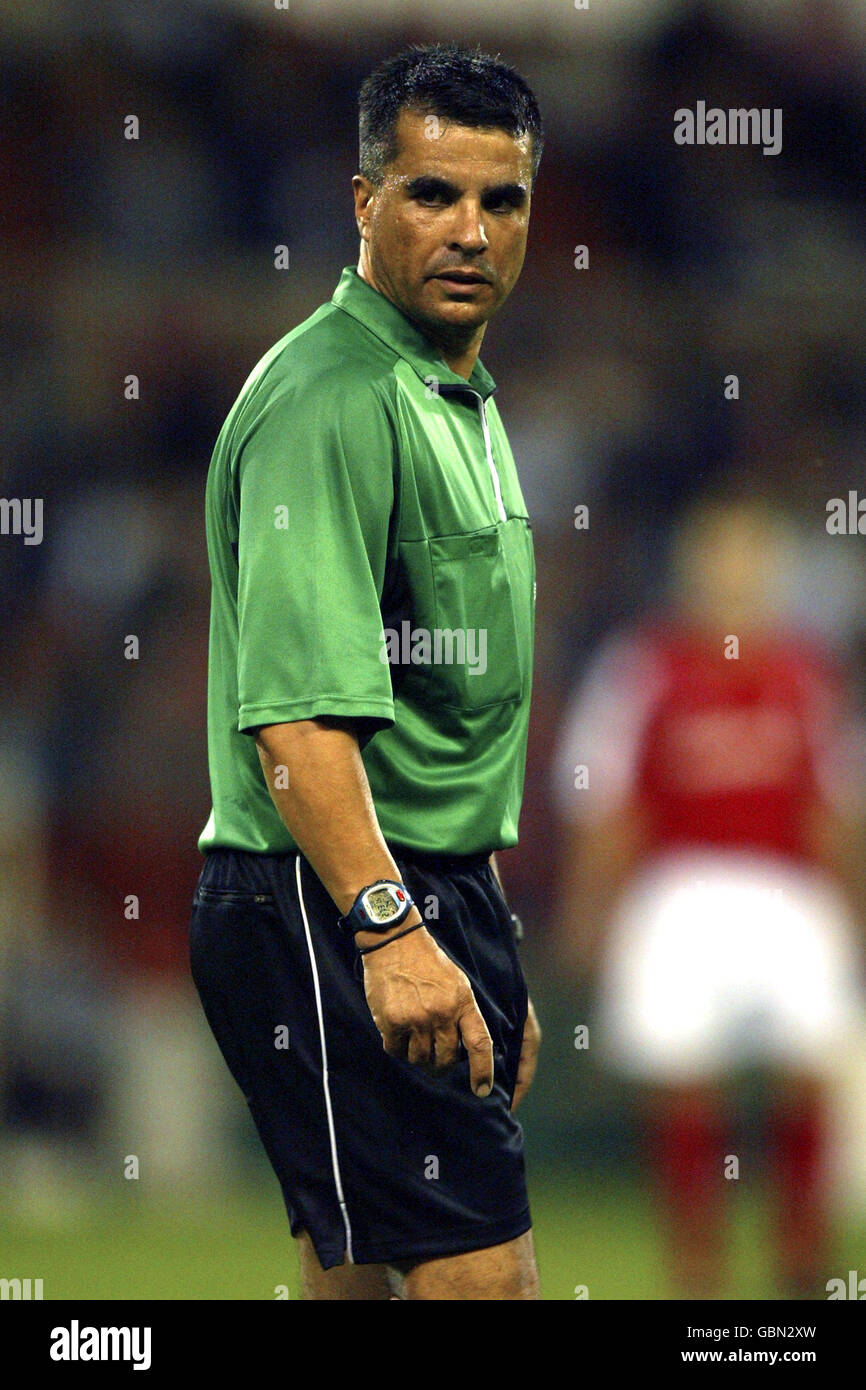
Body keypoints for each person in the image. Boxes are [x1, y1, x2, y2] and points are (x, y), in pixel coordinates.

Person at [191, 43, 543, 1301]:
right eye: (429, 193)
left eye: (498, 201)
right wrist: (391, 930)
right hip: (327, 894)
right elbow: (293, 719)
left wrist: (478, 927)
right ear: (360, 202)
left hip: (409, 887)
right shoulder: (332, 400)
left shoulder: (452, 391)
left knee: (357, 1278)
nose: (469, 231)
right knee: (479, 1279)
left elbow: (433, 716)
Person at [552, 496, 866, 1298]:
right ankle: (699, 1275)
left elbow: (834, 807)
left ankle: (801, 1262)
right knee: (684, 1082)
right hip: (678, 894)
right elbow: (606, 805)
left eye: (749, 561)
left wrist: (854, 910)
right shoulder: (644, 668)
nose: (734, 579)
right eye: (718, 561)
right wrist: (589, 913)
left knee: (808, 1070)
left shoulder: (806, 672)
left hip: (788, 890)